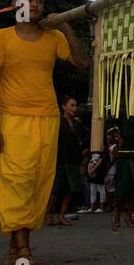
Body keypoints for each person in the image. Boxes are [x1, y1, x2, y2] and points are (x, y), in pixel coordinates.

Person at [0, 0, 90, 265]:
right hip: (14, 119)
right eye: (28, 0)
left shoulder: (53, 37)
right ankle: (24, 253)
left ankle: (13, 252)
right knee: (16, 180)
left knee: (37, 183)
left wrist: (66, 27)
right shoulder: (0, 37)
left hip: (48, 119)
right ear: (14, 6)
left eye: (39, 1)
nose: (35, 4)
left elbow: (82, 62)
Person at [51, 96, 85, 226]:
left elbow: (86, 136)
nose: (74, 108)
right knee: (57, 188)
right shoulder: (58, 121)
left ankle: (62, 215)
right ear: (64, 106)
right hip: (61, 159)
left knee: (71, 189)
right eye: (72, 105)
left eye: (75, 105)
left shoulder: (77, 123)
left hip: (73, 159)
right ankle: (49, 212)